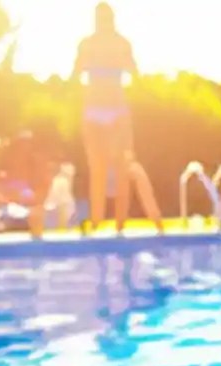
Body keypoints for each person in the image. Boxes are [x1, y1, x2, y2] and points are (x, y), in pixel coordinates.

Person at [72, 2, 164, 235]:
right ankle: (106, 222)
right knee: (108, 167)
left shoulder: (101, 44)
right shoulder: (110, 43)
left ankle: (108, 222)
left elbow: (75, 75)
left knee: (109, 168)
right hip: (105, 108)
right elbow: (134, 74)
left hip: (105, 108)